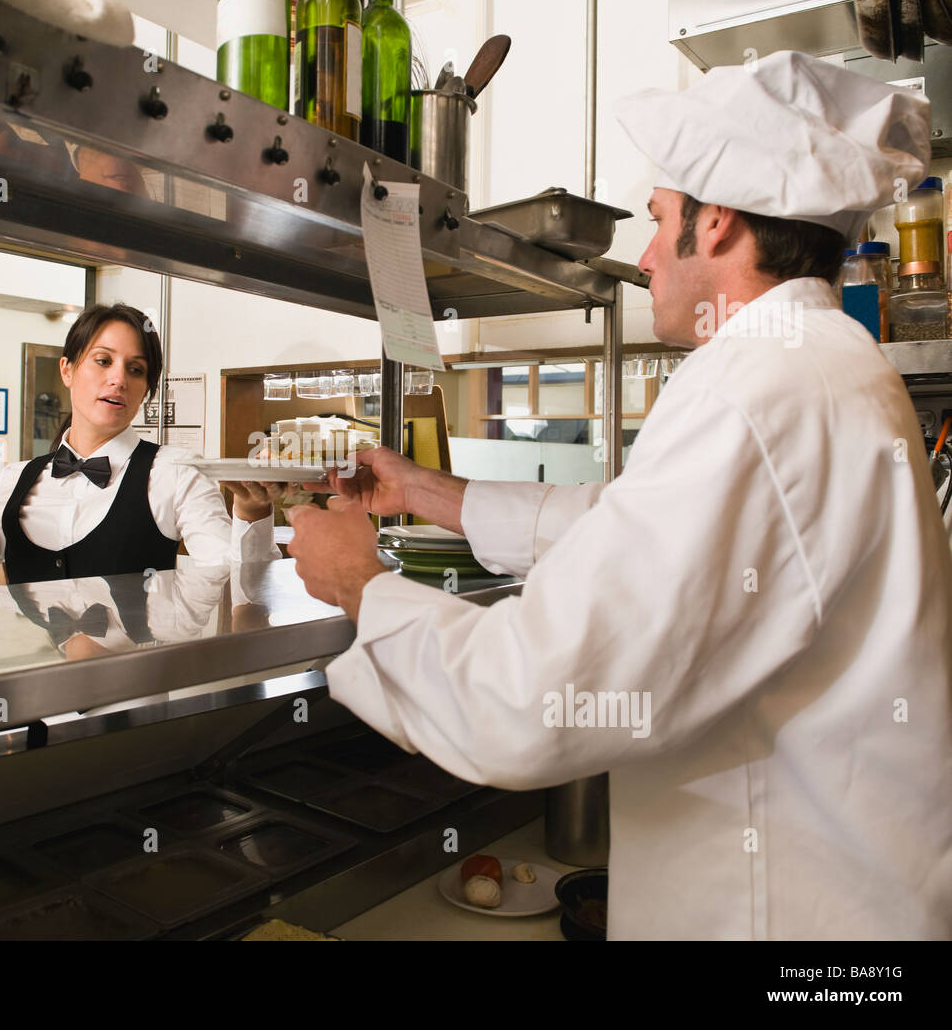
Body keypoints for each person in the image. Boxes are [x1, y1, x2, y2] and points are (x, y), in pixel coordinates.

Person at [287, 52, 952, 940]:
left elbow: (531, 700)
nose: (644, 258)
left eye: (658, 220)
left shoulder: (751, 389)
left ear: (715, 224)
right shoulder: (824, 365)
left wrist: (358, 584)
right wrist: (424, 492)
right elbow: (629, 532)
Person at [0, 303, 282, 592]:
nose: (118, 378)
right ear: (67, 369)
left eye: (136, 370)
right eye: (102, 361)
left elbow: (239, 590)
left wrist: (254, 515)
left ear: (146, 390)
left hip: (132, 710)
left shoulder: (174, 471)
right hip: (30, 713)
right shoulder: (10, 483)